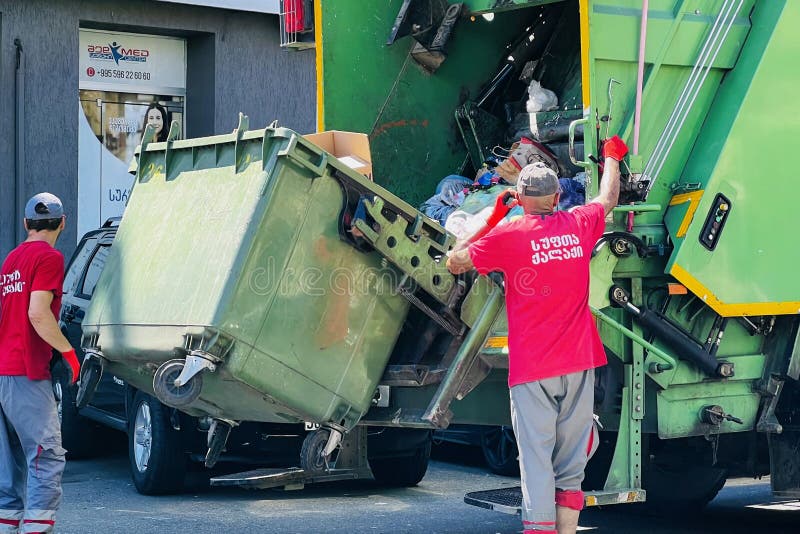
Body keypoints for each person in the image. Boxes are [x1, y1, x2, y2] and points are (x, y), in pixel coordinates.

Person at [446, 136, 629, 534]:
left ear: (521, 197)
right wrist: (612, 157)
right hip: (580, 364)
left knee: (536, 463)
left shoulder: (510, 234)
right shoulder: (579, 224)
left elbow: (454, 262)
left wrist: (494, 215)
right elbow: (608, 197)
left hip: (533, 370)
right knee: (570, 469)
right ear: (558, 195)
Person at [0, 193, 80, 534]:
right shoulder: (49, 258)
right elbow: (37, 313)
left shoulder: (11, 260)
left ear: (26, 224)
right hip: (27, 372)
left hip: (4, 372)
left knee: (9, 467)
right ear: (62, 223)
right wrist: (69, 353)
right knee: (45, 458)